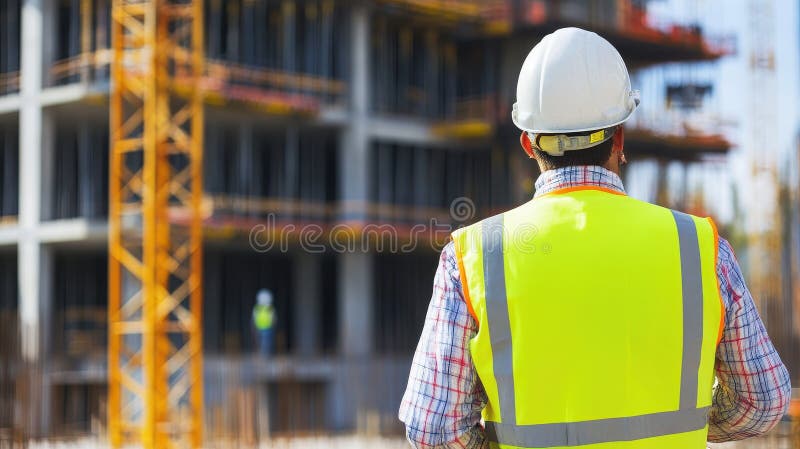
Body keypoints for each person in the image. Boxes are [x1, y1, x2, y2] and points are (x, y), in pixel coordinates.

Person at [399, 27, 790, 448]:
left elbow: (434, 428)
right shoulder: (698, 247)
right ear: (619, 137)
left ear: (528, 144)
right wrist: (687, 422)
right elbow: (762, 402)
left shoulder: (473, 257)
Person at [253, 289, 275, 356]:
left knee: (266, 342)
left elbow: (273, 317)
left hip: (267, 328)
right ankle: (262, 353)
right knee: (260, 342)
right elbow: (254, 317)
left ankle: (265, 354)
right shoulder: (257, 308)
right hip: (259, 327)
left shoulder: (270, 308)